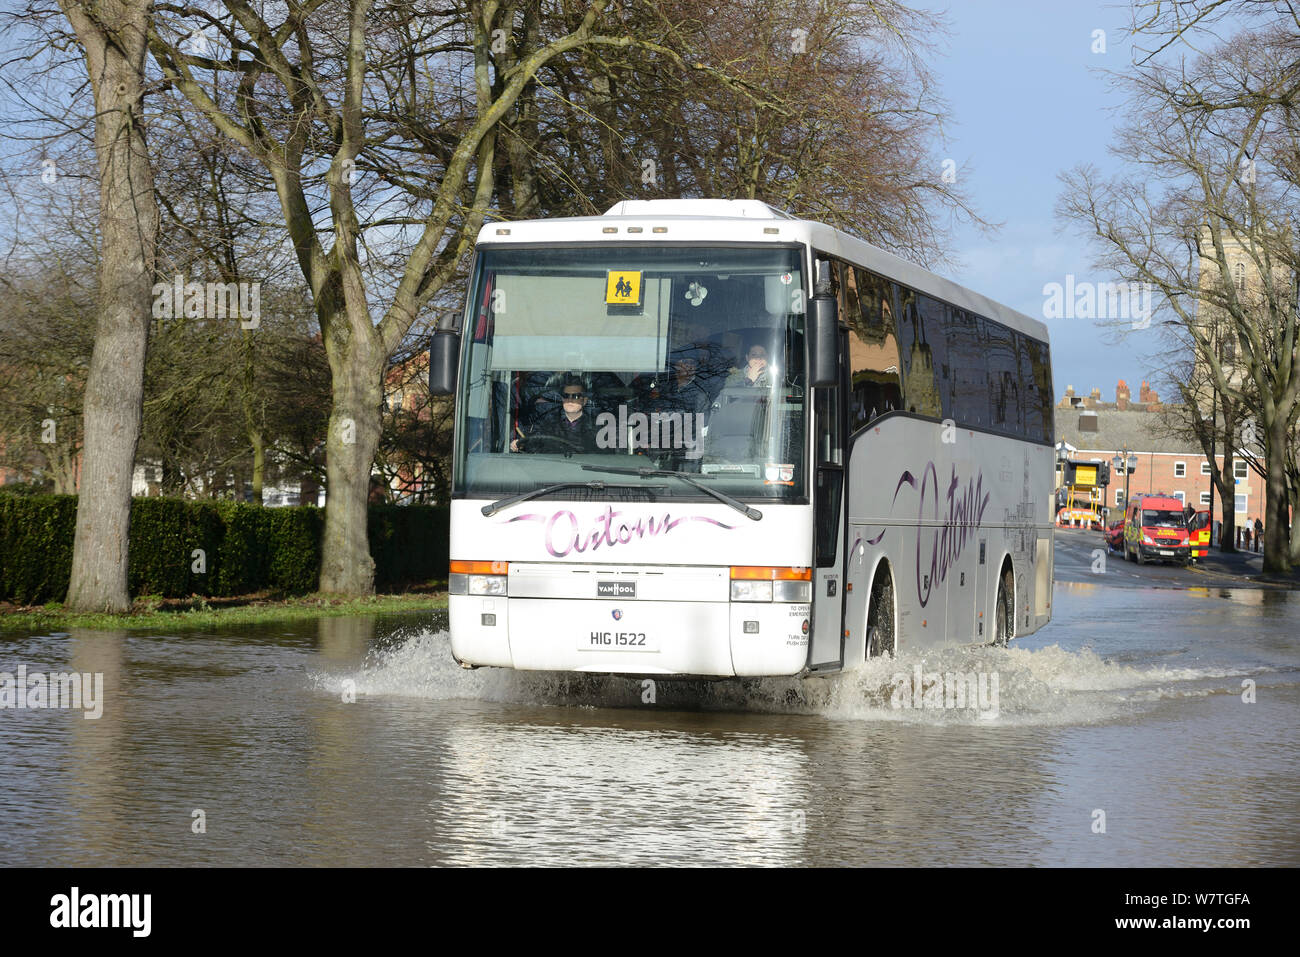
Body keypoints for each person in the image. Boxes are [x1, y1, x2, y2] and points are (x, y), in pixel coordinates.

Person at [511, 374, 600, 452]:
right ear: (562, 398)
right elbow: (534, 443)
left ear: (584, 401)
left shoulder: (595, 426)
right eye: (566, 395)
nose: (570, 400)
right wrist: (521, 444)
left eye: (575, 396)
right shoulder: (547, 422)